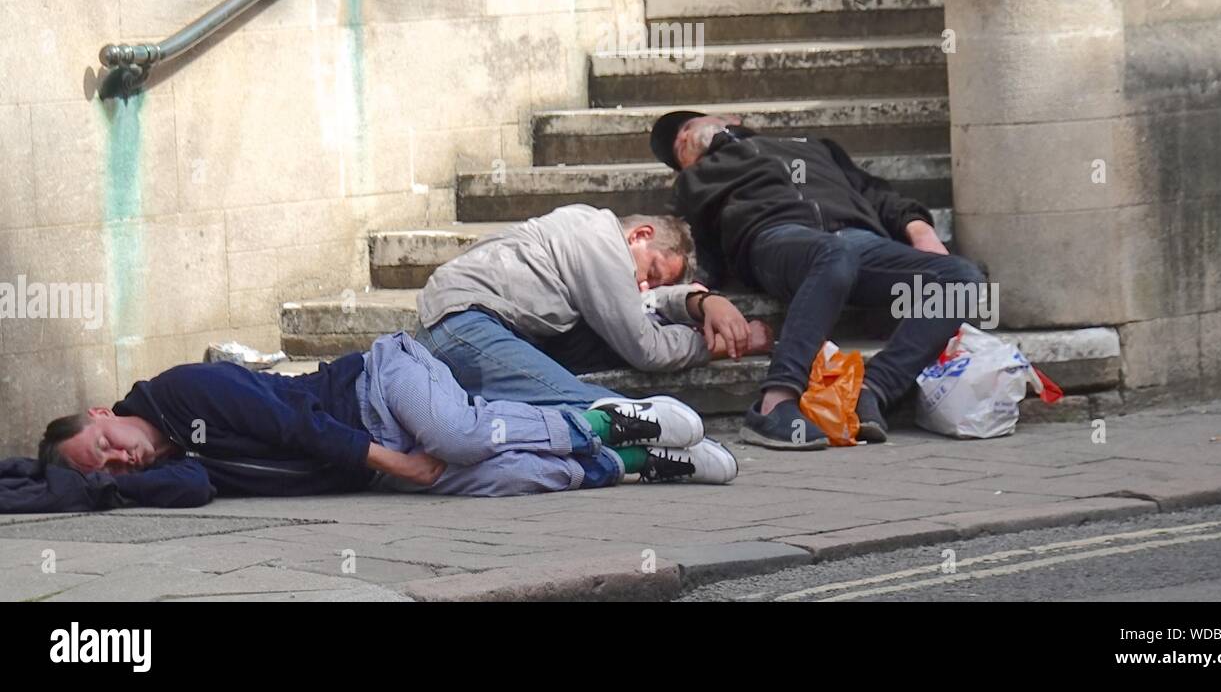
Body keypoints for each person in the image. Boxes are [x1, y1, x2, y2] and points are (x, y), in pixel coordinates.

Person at [36, 331, 737, 505]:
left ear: (105, 411)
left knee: (458, 437)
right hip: (373, 461)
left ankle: (612, 423)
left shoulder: (181, 390)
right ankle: (633, 465)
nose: (121, 457)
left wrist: (390, 460)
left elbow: (294, 421)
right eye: (109, 467)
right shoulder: (181, 469)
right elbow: (188, 493)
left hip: (378, 384)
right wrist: (103, 485)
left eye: (107, 443)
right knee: (500, 480)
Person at [650, 111, 983, 451]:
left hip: (860, 240)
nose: (684, 138)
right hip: (777, 239)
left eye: (688, 127)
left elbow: (875, 193)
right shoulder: (696, 180)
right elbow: (696, 245)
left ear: (728, 117)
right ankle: (774, 403)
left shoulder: (811, 147)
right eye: (679, 147)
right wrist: (704, 297)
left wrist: (918, 228)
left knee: (961, 276)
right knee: (834, 253)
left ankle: (871, 390)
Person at [414, 204, 771, 408]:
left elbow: (640, 307)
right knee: (584, 404)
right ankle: (660, 432)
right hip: (463, 325)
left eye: (656, 284)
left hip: (462, 326)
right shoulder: (602, 241)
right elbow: (648, 348)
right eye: (653, 271)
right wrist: (715, 346)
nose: (644, 286)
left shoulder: (586, 231)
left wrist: (701, 301)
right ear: (640, 235)